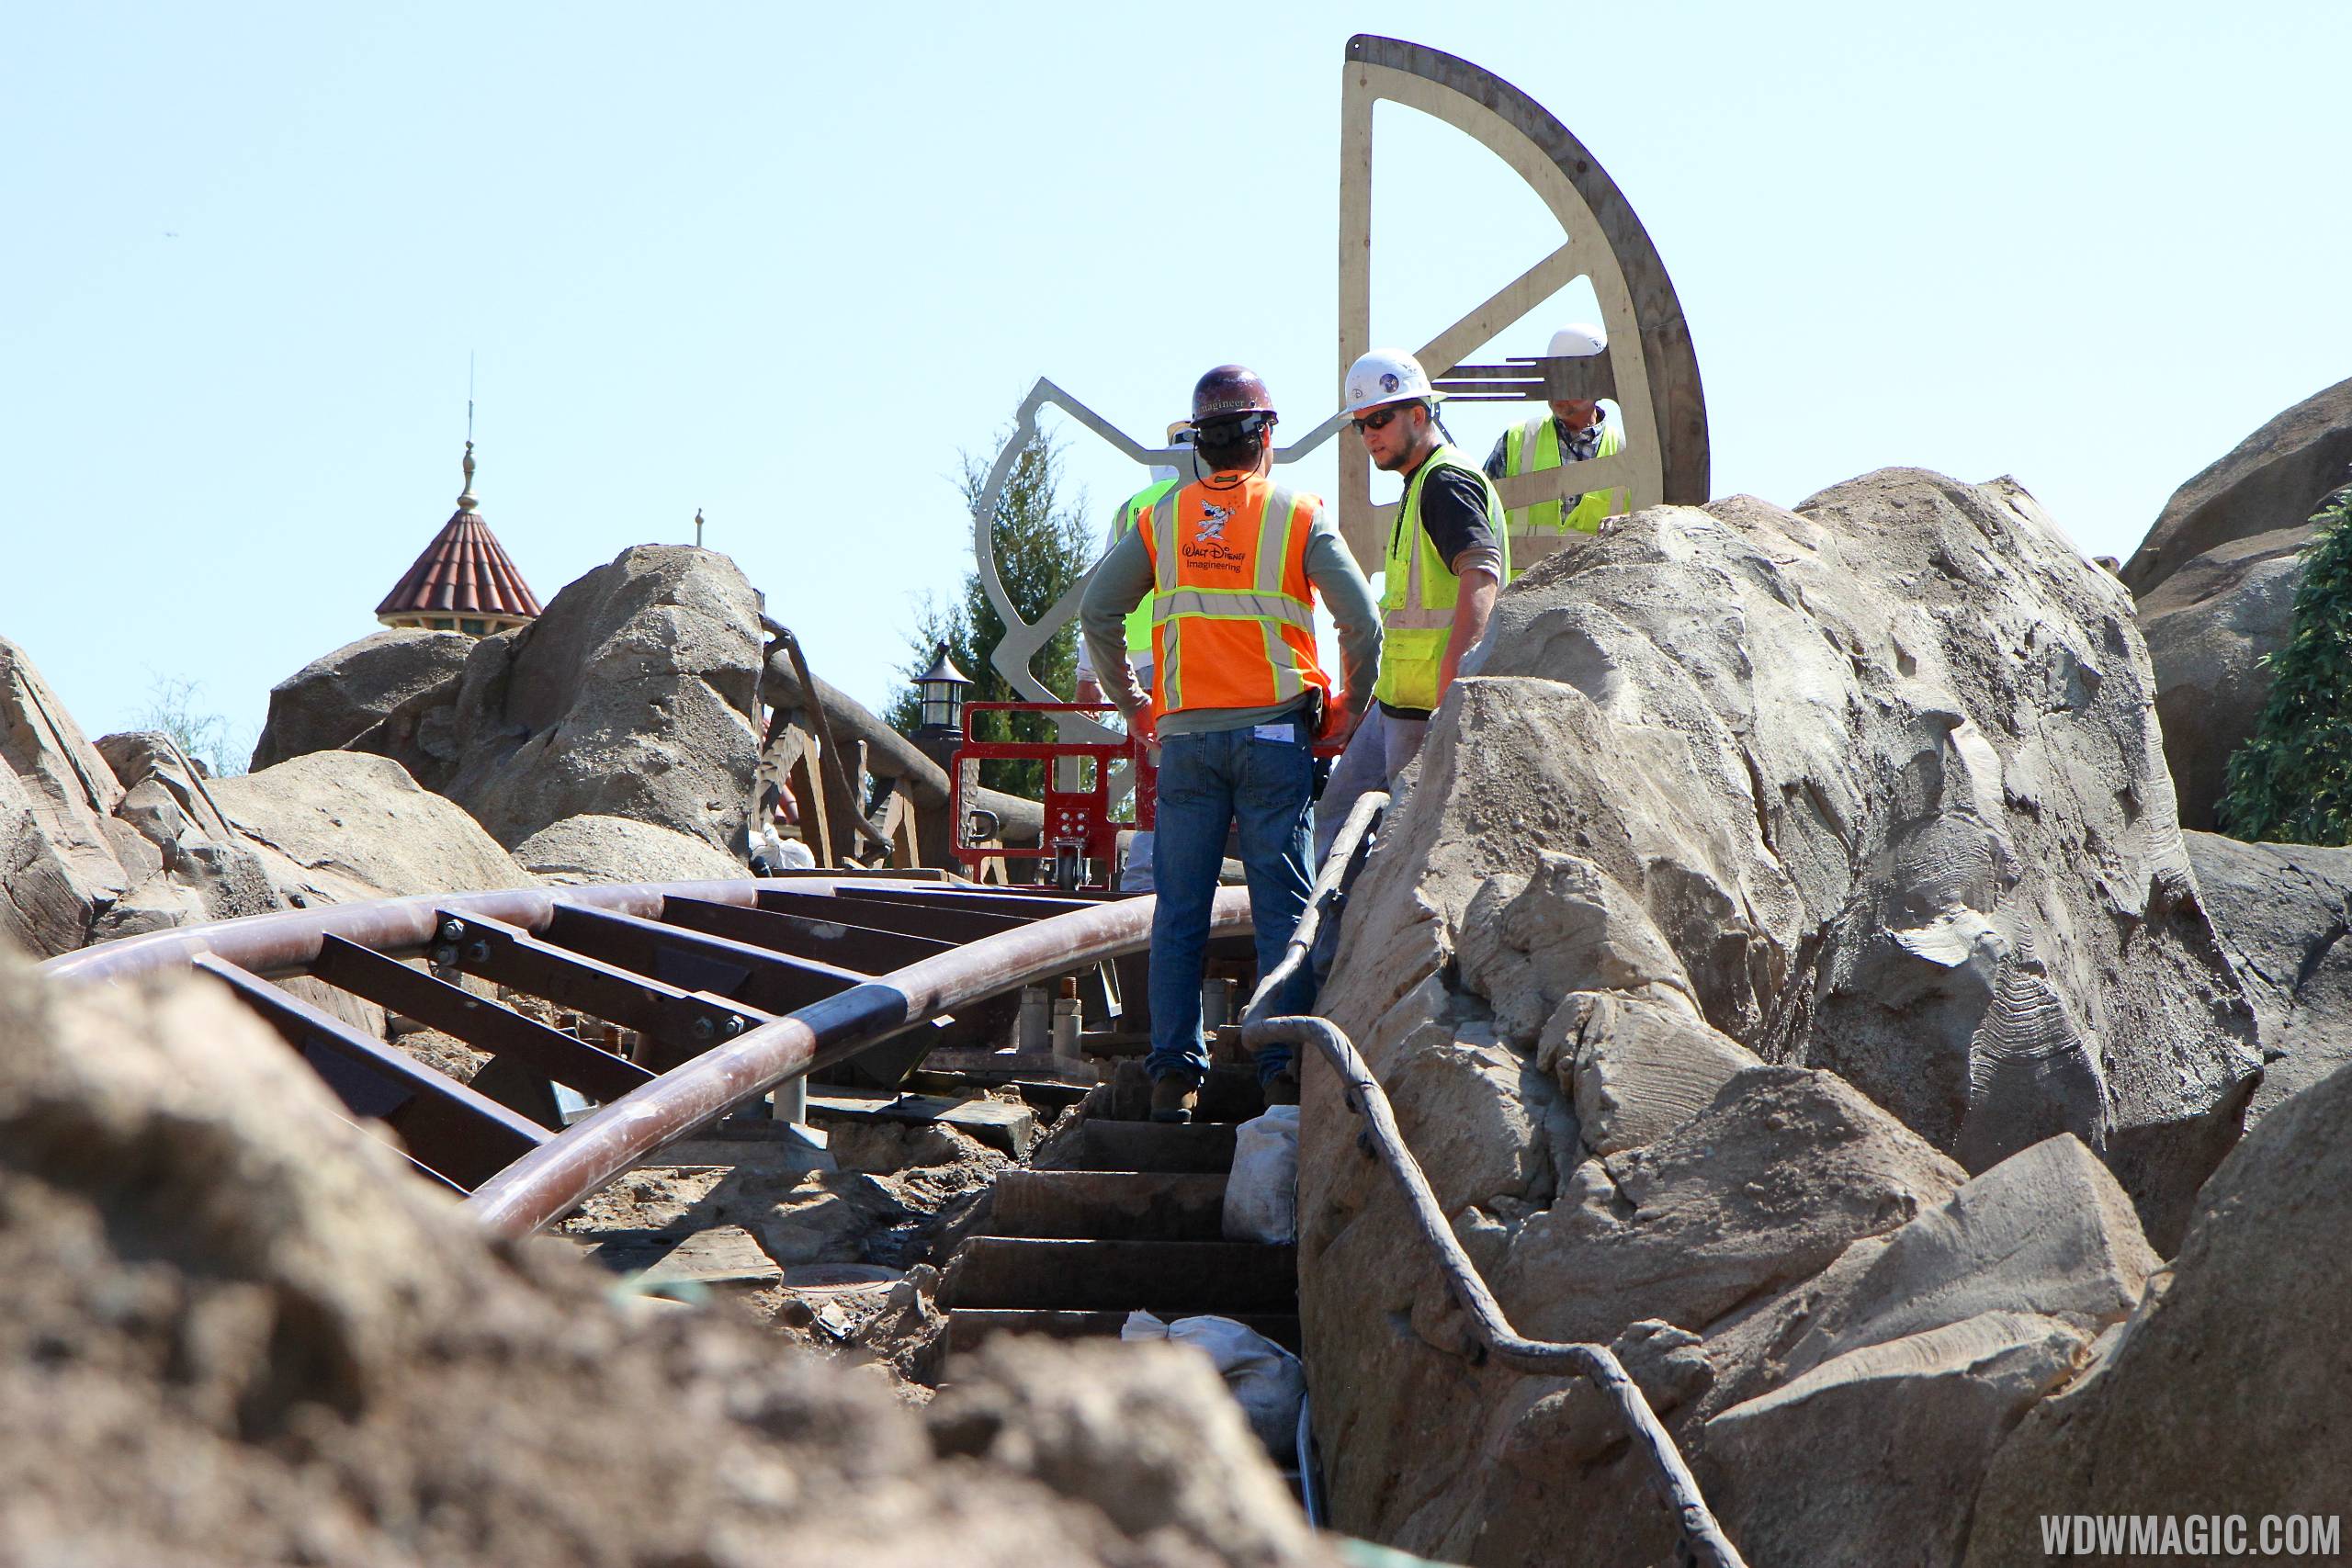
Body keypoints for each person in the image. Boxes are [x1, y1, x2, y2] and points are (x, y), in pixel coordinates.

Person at [1080, 366, 1380, 1122]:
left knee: (1179, 909)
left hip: (1185, 743)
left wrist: (1137, 705)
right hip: (1278, 738)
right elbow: (1363, 625)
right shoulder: (1299, 515)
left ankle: (1173, 1078)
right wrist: (1350, 709)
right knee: (1284, 907)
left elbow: (1097, 612)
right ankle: (1282, 1071)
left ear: (1198, 445)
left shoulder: (1162, 522)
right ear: (1266, 438)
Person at [1313, 347, 1509, 862]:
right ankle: (1338, 942)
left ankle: (1366, 942)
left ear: (1419, 414)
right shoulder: (1421, 482)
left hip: (1428, 708)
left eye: (1380, 419)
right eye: (1361, 425)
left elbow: (1481, 576)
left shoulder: (1444, 481)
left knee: (1403, 843)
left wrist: (1455, 687)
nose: (1369, 434)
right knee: (1336, 820)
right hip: (1398, 703)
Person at [1077, 422, 1196, 891]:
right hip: (1193, 652)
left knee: (1155, 762)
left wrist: (1088, 671)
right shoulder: (1218, 499)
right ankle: (1161, 871)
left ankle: (1145, 875)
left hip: (1140, 657)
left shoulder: (1134, 508)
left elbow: (1102, 594)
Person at [1484, 321, 1628, 578]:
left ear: (1599, 382)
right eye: (1554, 377)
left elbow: (1654, 519)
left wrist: (1627, 522)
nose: (1559, 388)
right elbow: (1478, 518)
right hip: (1517, 603)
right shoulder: (1516, 441)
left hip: (1590, 604)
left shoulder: (1627, 454)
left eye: (1570, 377)